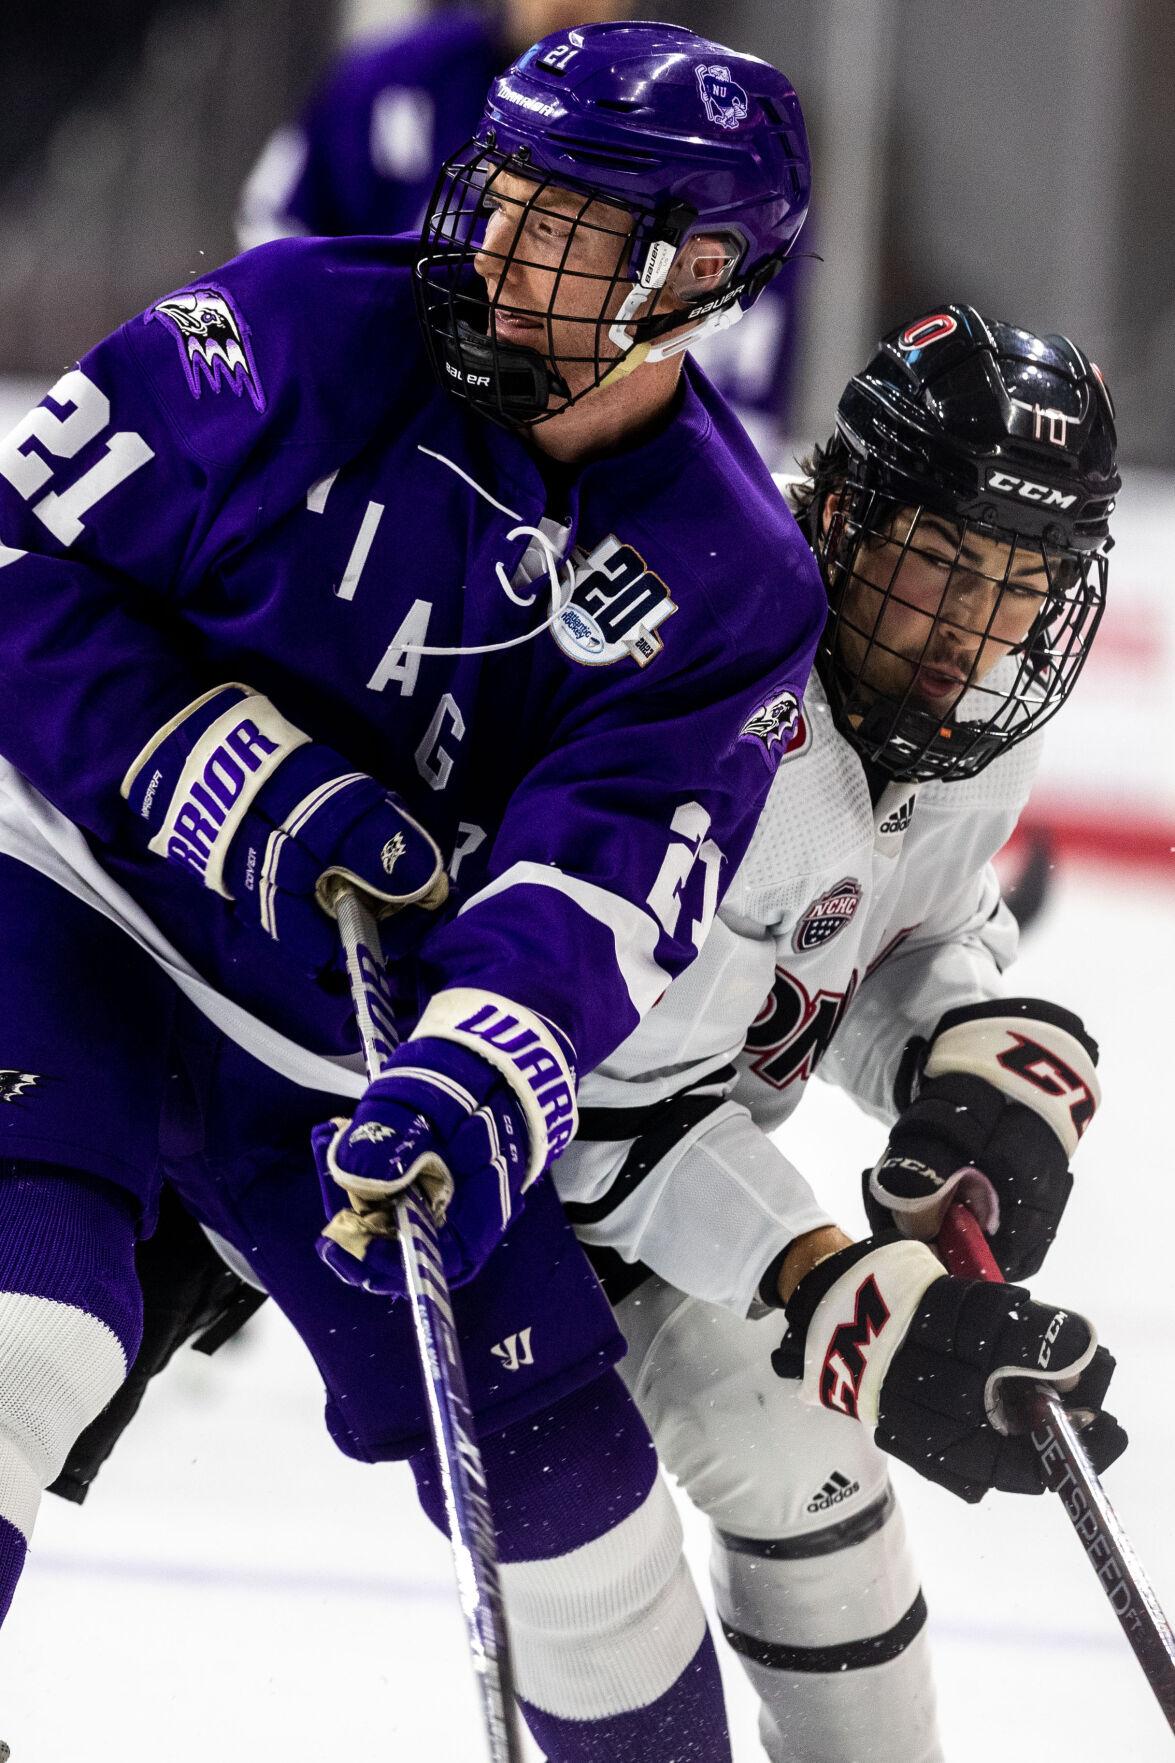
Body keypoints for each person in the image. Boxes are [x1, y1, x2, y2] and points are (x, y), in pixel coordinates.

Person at [0, 22, 822, 1758]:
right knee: (23, 1328)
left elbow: (604, 877)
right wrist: (187, 753)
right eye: (500, 202)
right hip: (79, 900)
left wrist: (479, 1064)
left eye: (568, 233)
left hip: (353, 1041)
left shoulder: (733, 586)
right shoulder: (287, 328)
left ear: (698, 279)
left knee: (584, 1536)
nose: (500, 256)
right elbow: (17, 557)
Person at [552, 303, 1127, 1761]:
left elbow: (889, 935)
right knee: (580, 1530)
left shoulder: (969, 716)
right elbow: (603, 1106)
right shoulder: (716, 687)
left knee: (803, 1456)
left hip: (658, 1167)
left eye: (1017, 582)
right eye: (938, 557)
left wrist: (955, 1046)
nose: (967, 628)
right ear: (846, 514)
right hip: (490, 1144)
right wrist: (830, 1281)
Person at [236, 0, 807, 455]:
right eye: (498, 201)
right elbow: (281, 237)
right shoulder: (395, 82)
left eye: (555, 227)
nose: (489, 258)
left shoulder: (706, 159)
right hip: (401, 417)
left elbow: (742, 398)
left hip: (591, 462)